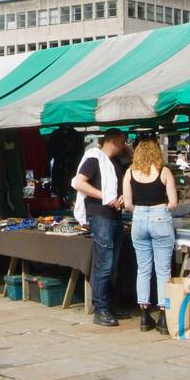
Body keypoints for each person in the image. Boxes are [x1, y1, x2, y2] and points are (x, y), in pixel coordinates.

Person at [72, 129, 128, 326]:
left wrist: (120, 197)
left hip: (115, 216)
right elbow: (79, 183)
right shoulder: (94, 159)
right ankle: (100, 308)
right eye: (122, 142)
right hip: (100, 216)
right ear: (112, 140)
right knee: (104, 263)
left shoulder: (115, 163)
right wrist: (105, 196)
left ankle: (109, 305)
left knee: (113, 264)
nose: (124, 146)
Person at [122, 138, 178, 334]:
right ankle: (163, 315)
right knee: (163, 270)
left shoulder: (129, 172)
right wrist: (160, 210)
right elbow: (173, 202)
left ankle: (144, 315)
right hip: (160, 217)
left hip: (138, 220)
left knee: (143, 269)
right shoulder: (164, 171)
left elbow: (127, 204)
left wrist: (140, 211)